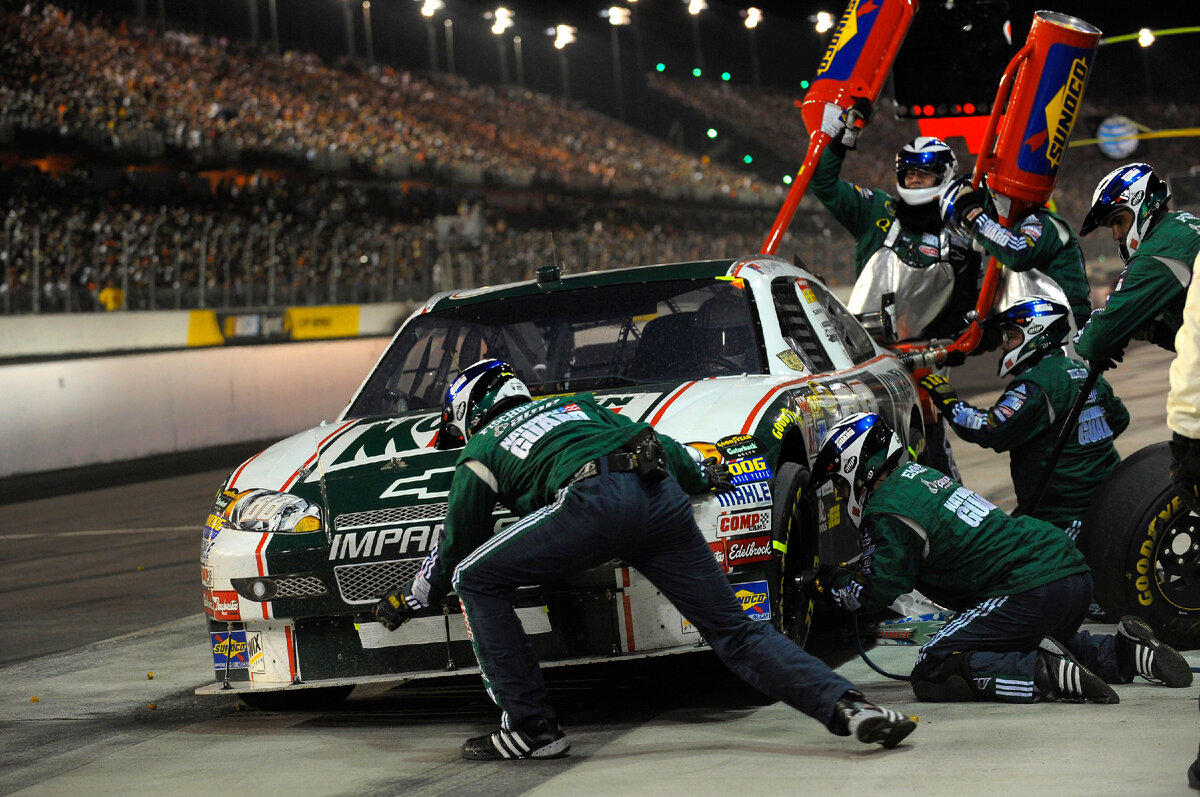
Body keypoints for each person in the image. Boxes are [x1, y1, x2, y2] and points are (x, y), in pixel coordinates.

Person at [374, 359, 917, 760]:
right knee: (735, 632)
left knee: (476, 579)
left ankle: (530, 727)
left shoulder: (483, 445)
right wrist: (703, 475)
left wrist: (413, 595)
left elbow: (459, 544)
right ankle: (851, 707)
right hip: (660, 498)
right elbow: (654, 441)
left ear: (467, 412)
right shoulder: (577, 405)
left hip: (591, 505)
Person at [807, 412, 1191, 705]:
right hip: (1065, 569)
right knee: (1014, 638)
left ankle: (1041, 674)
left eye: (841, 484)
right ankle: (1126, 652)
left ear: (858, 468)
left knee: (934, 665)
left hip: (1030, 584)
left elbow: (878, 588)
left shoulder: (887, 509)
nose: (842, 496)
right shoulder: (919, 476)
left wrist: (831, 584)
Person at [813, 103, 983, 479]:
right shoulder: (876, 209)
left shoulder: (964, 226)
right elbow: (823, 185)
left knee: (929, 456)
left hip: (924, 361)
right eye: (909, 174)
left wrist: (959, 339)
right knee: (869, 461)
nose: (917, 181)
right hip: (863, 356)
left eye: (926, 174)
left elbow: (971, 298)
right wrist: (839, 140)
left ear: (946, 175)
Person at [917, 295, 1128, 532]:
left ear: (1037, 334)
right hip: (1108, 505)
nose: (1004, 345)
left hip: (1063, 519)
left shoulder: (1036, 384)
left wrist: (950, 403)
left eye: (1011, 336)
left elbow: (992, 429)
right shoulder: (1083, 370)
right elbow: (1119, 419)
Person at [1072, 162, 1200, 368]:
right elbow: (1193, 340)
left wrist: (1092, 327)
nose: (1116, 234)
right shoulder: (1181, 226)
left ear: (1141, 206)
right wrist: (1154, 332)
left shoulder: (1157, 253)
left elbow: (1094, 343)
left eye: (1118, 221)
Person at [940, 177, 1092, 329]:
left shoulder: (1038, 220)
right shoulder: (1005, 252)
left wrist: (974, 216)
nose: (968, 232)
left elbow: (1020, 252)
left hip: (1066, 324)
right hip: (1040, 325)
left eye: (965, 224)